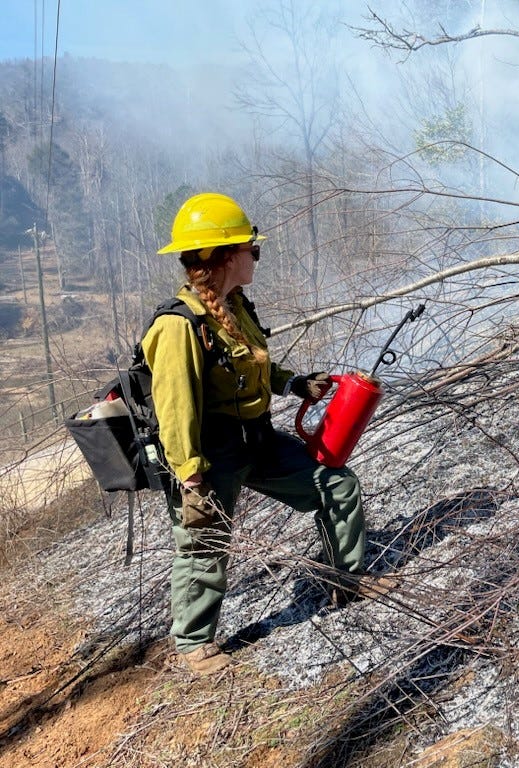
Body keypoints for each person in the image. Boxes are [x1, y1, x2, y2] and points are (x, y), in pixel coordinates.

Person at [145, 192, 390, 676]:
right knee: (204, 542)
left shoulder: (235, 307)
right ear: (223, 257)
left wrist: (294, 383)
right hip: (209, 454)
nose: (256, 256)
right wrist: (191, 476)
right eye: (249, 249)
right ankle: (195, 644)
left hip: (256, 439)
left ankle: (349, 577)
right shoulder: (179, 325)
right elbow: (174, 407)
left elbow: (256, 366)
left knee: (335, 485)